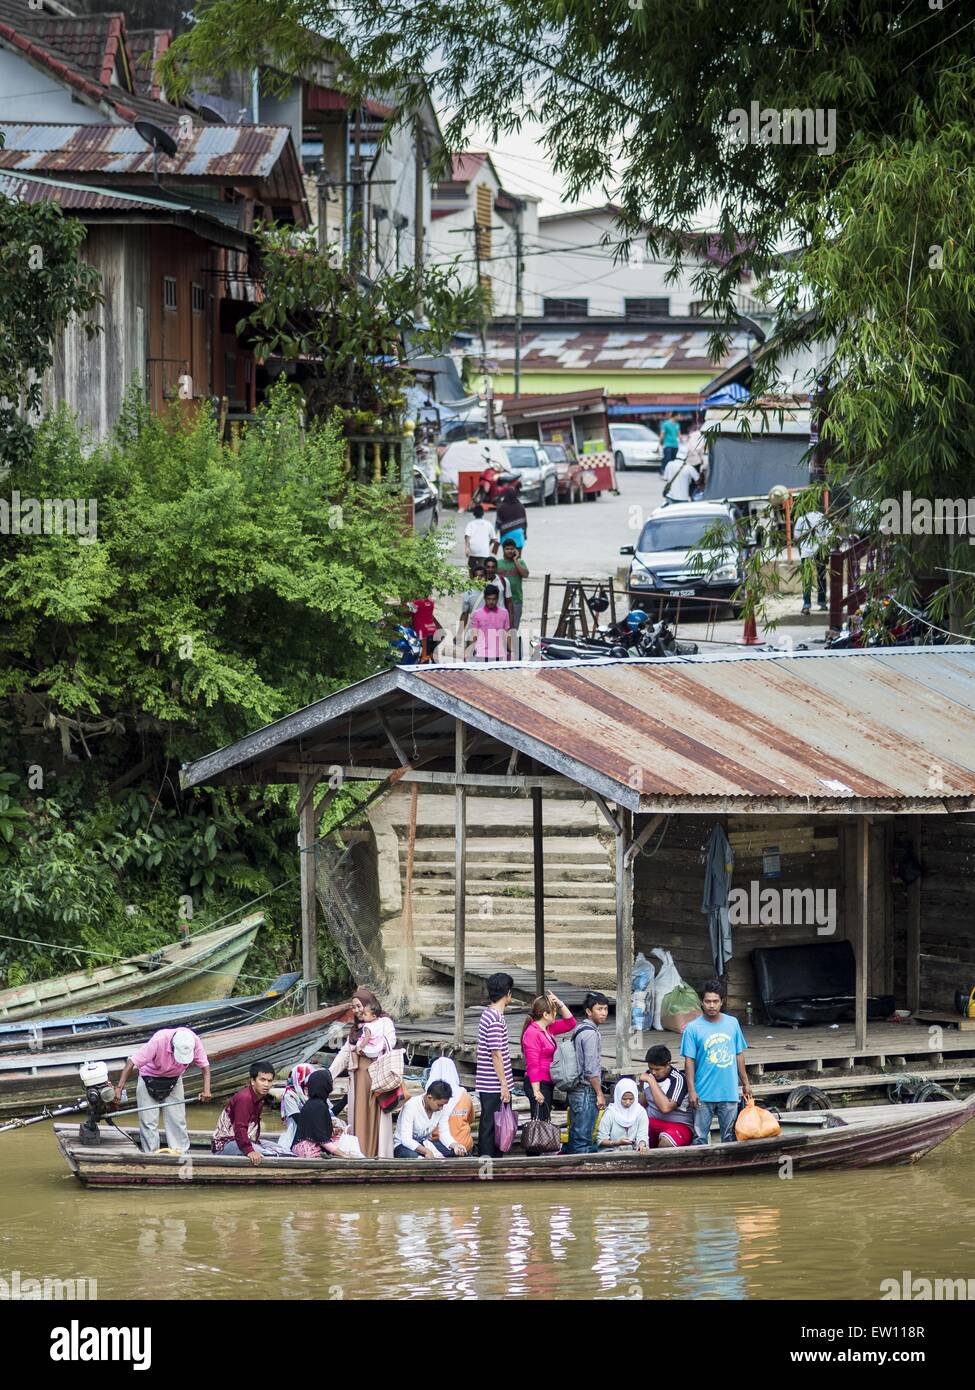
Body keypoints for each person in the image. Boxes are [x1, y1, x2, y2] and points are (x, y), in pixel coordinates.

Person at [114, 1026, 211, 1155]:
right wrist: (119, 1088)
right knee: (149, 1120)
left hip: (174, 1079)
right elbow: (132, 1062)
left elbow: (205, 1067)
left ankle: (179, 1152)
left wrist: (206, 1090)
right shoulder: (159, 1041)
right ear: (172, 1046)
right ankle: (151, 1154)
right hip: (149, 1077)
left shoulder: (193, 1041)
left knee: (177, 1119)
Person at [681, 979, 752, 1146]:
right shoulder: (692, 1028)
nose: (711, 1005)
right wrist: (691, 1090)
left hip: (728, 1092)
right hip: (703, 1094)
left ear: (722, 1002)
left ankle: (728, 1171)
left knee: (729, 1137)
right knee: (699, 1139)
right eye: (707, 1001)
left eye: (715, 1001)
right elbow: (689, 1061)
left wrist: (746, 1083)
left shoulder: (732, 1023)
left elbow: (738, 1055)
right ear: (701, 1002)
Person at [329, 987, 397, 1158]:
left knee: (376, 1115)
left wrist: (370, 1047)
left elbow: (390, 1041)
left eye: (360, 1006)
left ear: (370, 1004)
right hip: (359, 1078)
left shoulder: (384, 1022)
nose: (357, 1010)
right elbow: (345, 1054)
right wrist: (328, 1076)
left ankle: (378, 1154)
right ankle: (360, 1153)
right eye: (355, 1007)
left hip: (377, 1076)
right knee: (359, 1114)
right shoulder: (356, 1030)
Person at [475, 971, 515, 1157]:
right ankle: (489, 1162)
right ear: (507, 993)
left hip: (488, 1082)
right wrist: (504, 1084)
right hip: (493, 1084)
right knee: (491, 1126)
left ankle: (490, 1161)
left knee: (491, 1124)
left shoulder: (488, 1014)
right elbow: (496, 1054)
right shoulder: (495, 1019)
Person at [521, 992, 576, 1122]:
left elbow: (571, 1023)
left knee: (545, 1120)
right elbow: (532, 1064)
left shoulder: (548, 1028)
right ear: (545, 1015)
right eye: (554, 1011)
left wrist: (559, 1003)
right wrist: (536, 1091)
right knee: (540, 1123)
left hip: (547, 1081)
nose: (556, 1014)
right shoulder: (532, 1033)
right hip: (538, 1082)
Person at [565, 992, 609, 1154]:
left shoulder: (580, 1028)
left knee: (576, 1134)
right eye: (599, 1009)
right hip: (585, 1090)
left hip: (576, 1089)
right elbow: (591, 1070)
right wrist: (599, 1093)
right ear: (589, 1012)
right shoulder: (590, 1033)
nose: (604, 1013)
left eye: (605, 1009)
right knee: (582, 1138)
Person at [211, 1059, 279, 1162]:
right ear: (253, 1081)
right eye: (262, 1080)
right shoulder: (245, 1098)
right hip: (226, 1143)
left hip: (245, 1140)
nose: (266, 1084)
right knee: (267, 1156)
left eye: (269, 1081)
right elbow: (240, 1127)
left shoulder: (259, 1097)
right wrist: (249, 1150)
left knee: (282, 1151)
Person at [639, 1044, 694, 1147]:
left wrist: (651, 1081)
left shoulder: (678, 1079)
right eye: (651, 1068)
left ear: (668, 1065)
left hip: (679, 1126)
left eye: (657, 1069)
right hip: (653, 1122)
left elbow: (665, 1108)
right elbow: (642, 1104)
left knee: (666, 1143)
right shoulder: (647, 1076)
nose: (653, 1072)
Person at [427, 1055, 475, 1155]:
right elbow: (470, 1119)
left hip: (441, 1145)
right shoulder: (465, 1095)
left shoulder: (430, 1098)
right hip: (464, 1144)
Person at [394, 1080, 454, 1158]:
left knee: (453, 1153)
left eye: (443, 1105)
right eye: (439, 1105)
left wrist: (454, 1144)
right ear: (429, 1097)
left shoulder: (443, 1107)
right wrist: (426, 1151)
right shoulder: (411, 1106)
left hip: (426, 1144)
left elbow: (444, 1132)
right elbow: (406, 1139)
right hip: (403, 1146)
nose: (441, 1108)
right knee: (413, 1157)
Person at [290, 1069, 339, 1158]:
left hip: (301, 1147)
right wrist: (346, 1155)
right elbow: (322, 1140)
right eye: (331, 1081)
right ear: (324, 1085)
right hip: (307, 1150)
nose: (332, 1084)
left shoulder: (316, 1103)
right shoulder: (318, 1105)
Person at [597, 1078, 650, 1152]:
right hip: (611, 1153)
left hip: (634, 1152)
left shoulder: (640, 1112)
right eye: (624, 1099)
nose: (628, 1102)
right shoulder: (610, 1113)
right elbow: (601, 1140)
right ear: (618, 1097)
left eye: (631, 1099)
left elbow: (643, 1135)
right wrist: (617, 1143)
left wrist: (641, 1145)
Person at [794, 508, 828, 613]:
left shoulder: (801, 519)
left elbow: (796, 537)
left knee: (806, 578)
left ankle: (806, 605)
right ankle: (822, 603)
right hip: (820, 551)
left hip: (806, 552)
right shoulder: (823, 518)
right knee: (821, 577)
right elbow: (829, 534)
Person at [277, 1062, 314, 1153]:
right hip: (295, 1136)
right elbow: (299, 1120)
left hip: (310, 1132)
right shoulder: (290, 1095)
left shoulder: (310, 1093)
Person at [496, 537, 529, 638]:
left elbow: (525, 574)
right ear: (503, 550)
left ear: (515, 550)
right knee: (500, 628)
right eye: (507, 549)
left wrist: (516, 560)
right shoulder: (498, 564)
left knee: (513, 628)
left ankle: (511, 650)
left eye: (512, 549)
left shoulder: (520, 562)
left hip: (516, 600)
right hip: (500, 601)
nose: (510, 551)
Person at [469, 584, 510, 661]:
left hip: (499, 654)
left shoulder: (504, 613)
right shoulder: (477, 614)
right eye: (489, 599)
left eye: (494, 599)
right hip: (481, 654)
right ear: (484, 598)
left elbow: (506, 634)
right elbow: (474, 635)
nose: (491, 601)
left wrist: (511, 651)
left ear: (497, 598)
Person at [464, 504, 497, 574]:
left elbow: (467, 536)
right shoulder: (488, 524)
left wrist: (466, 548)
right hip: (484, 552)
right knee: (482, 572)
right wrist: (489, 545)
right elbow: (494, 539)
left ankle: (473, 583)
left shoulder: (470, 524)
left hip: (473, 551)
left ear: (474, 513)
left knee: (472, 570)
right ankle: (482, 584)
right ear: (483, 513)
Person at [495, 487, 528, 553]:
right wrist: (524, 534)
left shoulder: (501, 507)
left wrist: (494, 536)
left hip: (506, 535)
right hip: (518, 534)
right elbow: (524, 522)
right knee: (518, 557)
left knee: (507, 558)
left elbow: (498, 523)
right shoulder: (520, 506)